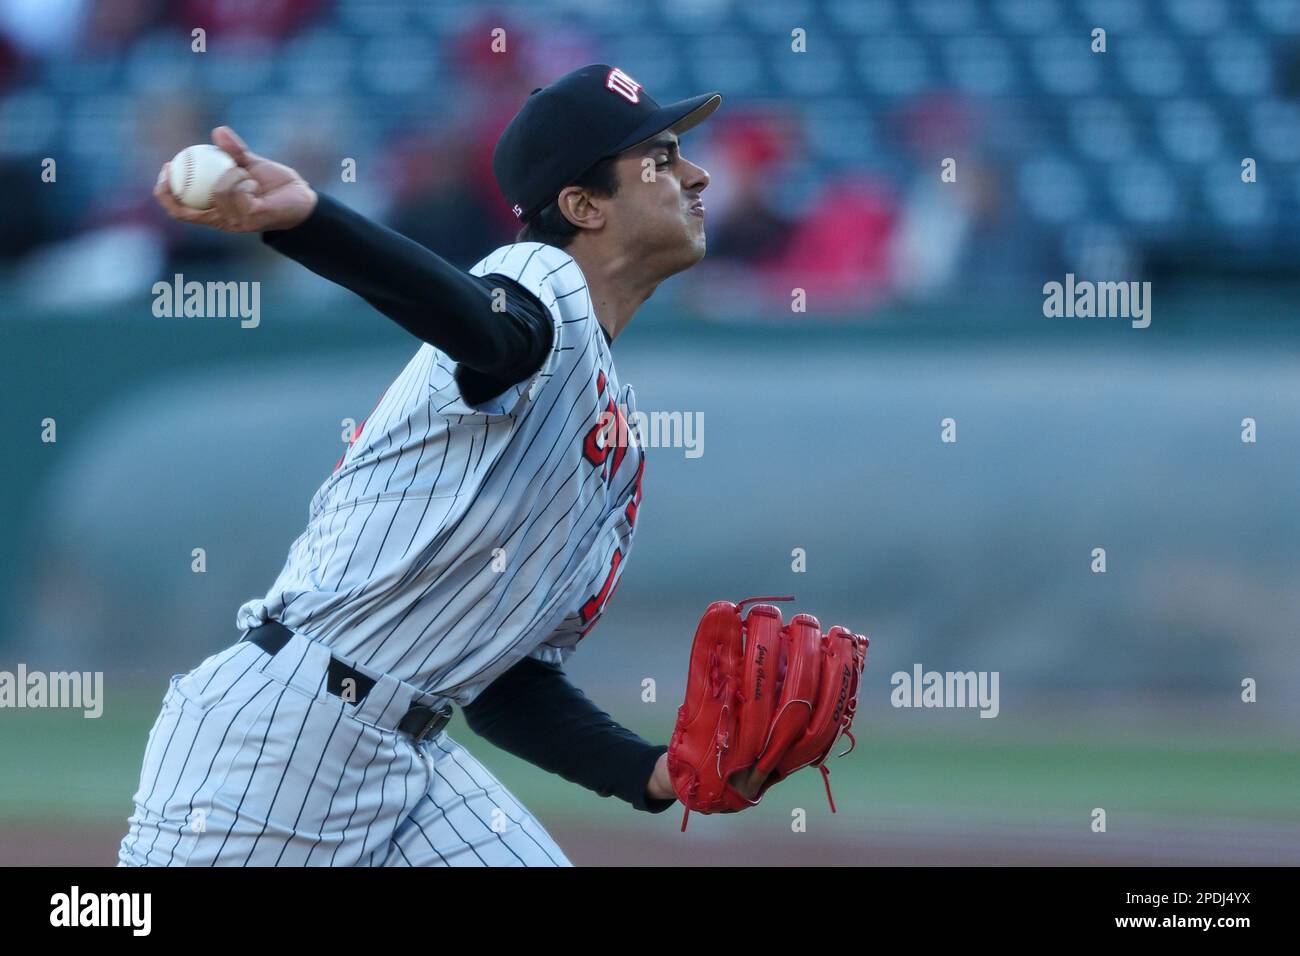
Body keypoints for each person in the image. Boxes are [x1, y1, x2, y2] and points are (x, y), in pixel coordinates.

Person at [119, 64, 719, 866]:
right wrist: (308, 221)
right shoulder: (537, 287)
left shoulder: (606, 420)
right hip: (278, 739)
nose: (697, 172)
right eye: (663, 156)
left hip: (407, 752)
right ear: (581, 206)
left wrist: (655, 772)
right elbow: (486, 327)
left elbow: (508, 685)